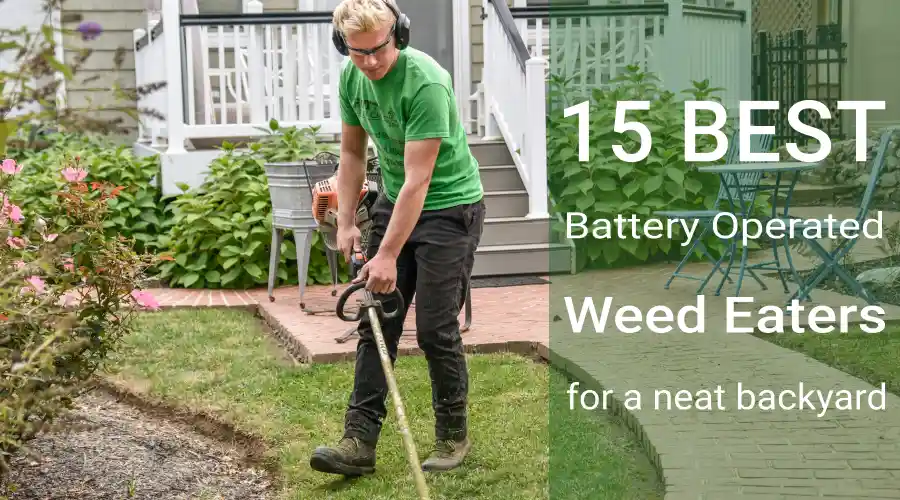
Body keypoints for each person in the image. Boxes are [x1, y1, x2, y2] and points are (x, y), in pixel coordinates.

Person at [308, 0, 485, 477]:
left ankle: (452, 435)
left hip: (449, 207)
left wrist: (386, 255)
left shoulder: (425, 82)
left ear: (399, 35)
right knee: (376, 319)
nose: (368, 62)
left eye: (378, 50)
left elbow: (418, 181)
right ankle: (358, 442)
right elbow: (350, 151)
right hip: (394, 200)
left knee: (434, 326)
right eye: (355, 52)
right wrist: (346, 221)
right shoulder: (353, 77)